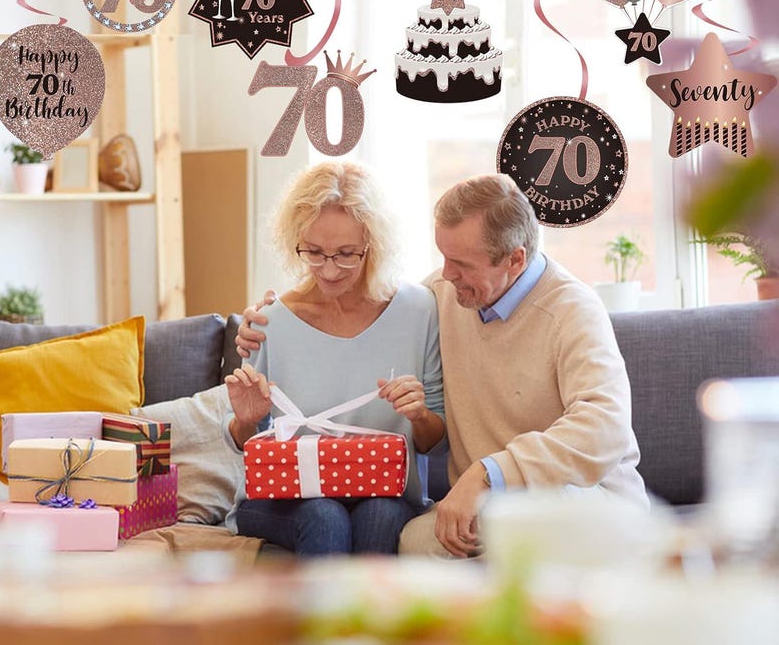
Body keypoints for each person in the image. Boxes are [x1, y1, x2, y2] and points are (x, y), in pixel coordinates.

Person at [238, 173, 648, 558]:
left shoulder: (573, 310)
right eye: (444, 257)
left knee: (521, 524)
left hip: (582, 496)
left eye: (462, 263)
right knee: (415, 540)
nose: (447, 274)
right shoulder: (444, 294)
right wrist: (268, 316)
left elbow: (605, 427)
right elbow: (372, 305)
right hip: (488, 503)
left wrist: (488, 473)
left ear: (515, 259)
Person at [223, 161, 445, 556]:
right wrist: (246, 420)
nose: (328, 271)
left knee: (380, 515)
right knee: (325, 516)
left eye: (345, 254)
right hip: (285, 497)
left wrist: (418, 414)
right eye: (314, 252)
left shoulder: (419, 310)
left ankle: (358, 601)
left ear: (373, 245)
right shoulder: (271, 321)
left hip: (385, 491)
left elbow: (434, 443)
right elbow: (244, 442)